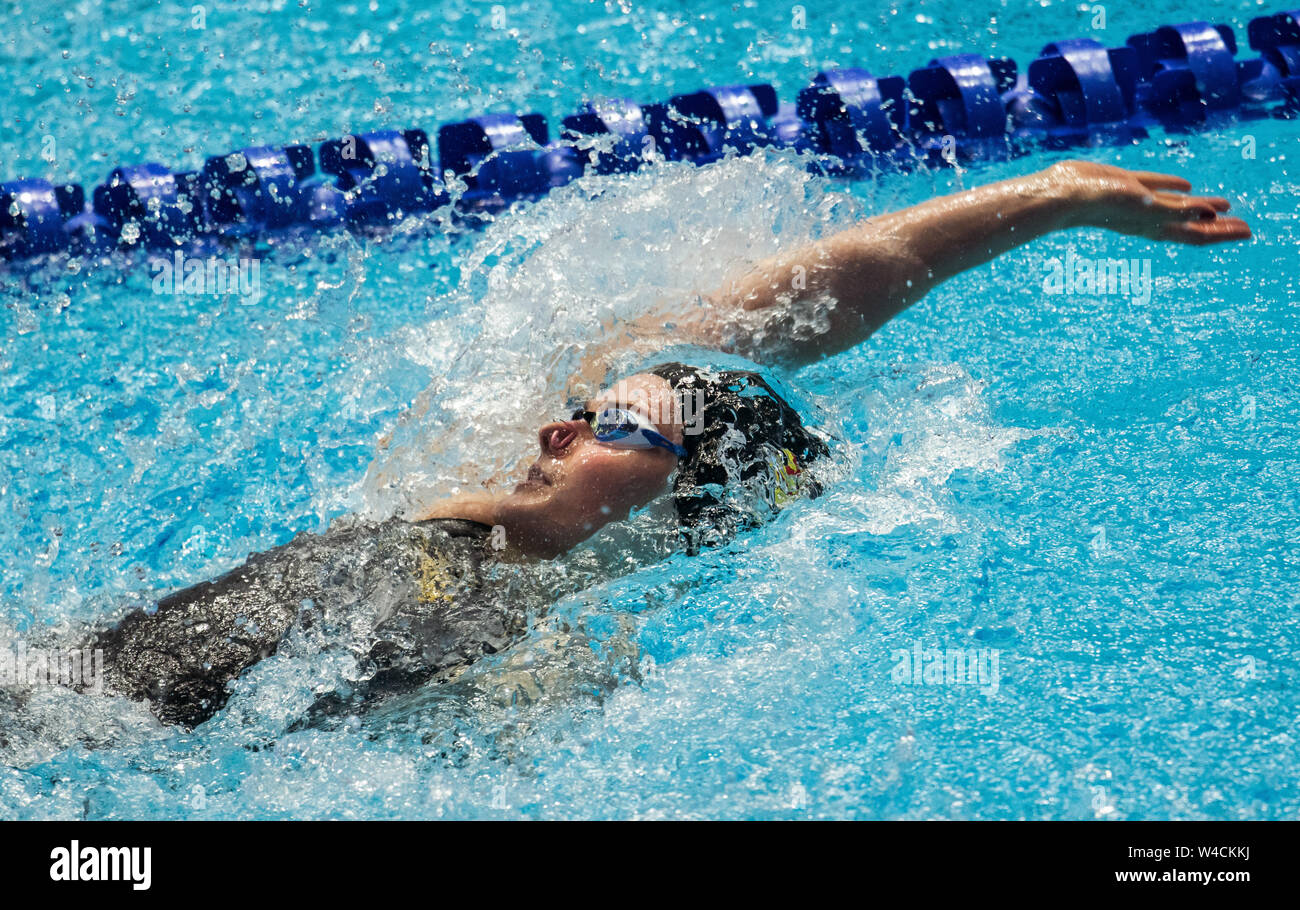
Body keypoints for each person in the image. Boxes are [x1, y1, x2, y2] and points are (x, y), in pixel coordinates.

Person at [88, 160, 1251, 728]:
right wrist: (1048, 199)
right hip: (105, 682)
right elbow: (816, 298)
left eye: (614, 426)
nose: (563, 421)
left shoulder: (562, 638)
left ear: (687, 498)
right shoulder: (494, 496)